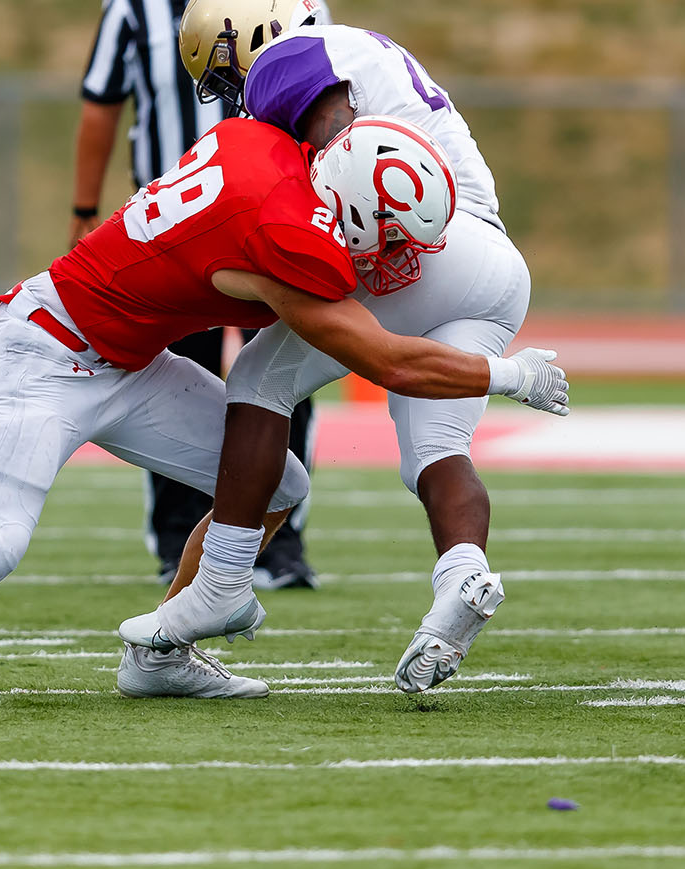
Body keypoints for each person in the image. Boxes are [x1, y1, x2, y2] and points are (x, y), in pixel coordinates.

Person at [0, 114, 568, 706]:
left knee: (275, 483)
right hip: (46, 352)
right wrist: (509, 375)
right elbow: (386, 359)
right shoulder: (288, 237)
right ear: (349, 202)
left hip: (125, 356)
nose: (391, 261)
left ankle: (163, 649)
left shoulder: (262, 144)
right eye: (387, 239)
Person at [118, 2, 559, 696]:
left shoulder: (296, 60)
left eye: (224, 68)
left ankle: (224, 580)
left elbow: (352, 160)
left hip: (421, 242)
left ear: (245, 37)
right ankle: (462, 581)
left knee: (257, 382)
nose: (234, 89)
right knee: (435, 453)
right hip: (493, 266)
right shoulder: (360, 48)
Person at [73, 0, 330, 590]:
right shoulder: (134, 8)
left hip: (276, 212)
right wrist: (83, 209)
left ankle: (279, 541)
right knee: (175, 372)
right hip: (179, 227)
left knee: (288, 373)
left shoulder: (294, 2)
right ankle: (177, 535)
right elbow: (101, 103)